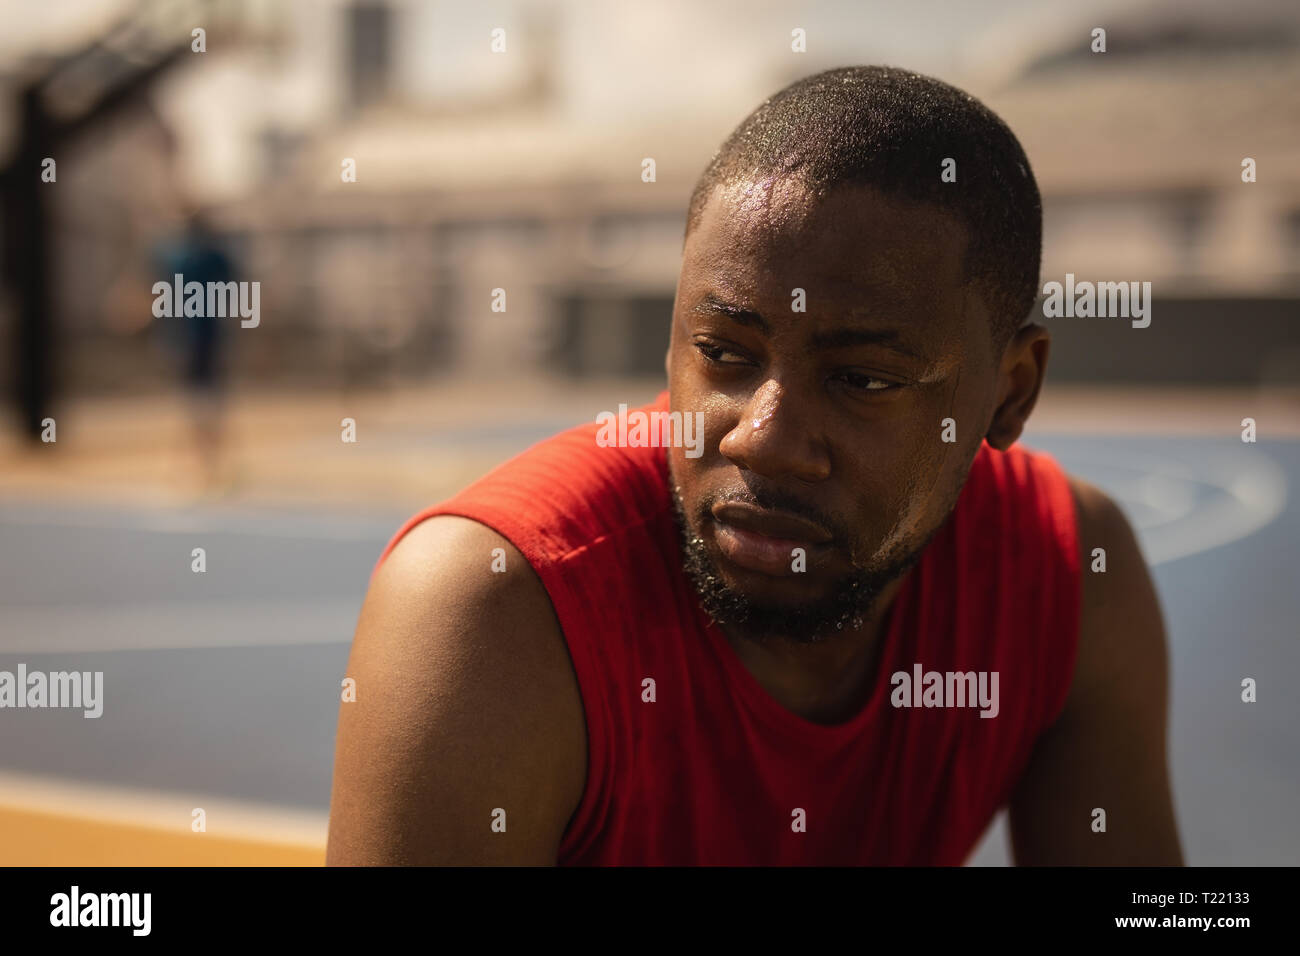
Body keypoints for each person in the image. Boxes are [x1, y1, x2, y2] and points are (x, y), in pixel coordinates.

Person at [326, 66, 1183, 865]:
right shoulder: (493, 606)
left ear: (1011, 391)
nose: (761, 439)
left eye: (861, 380)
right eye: (723, 353)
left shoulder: (1069, 570)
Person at [152, 205, 235, 495]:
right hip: (184, 340)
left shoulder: (212, 258)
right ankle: (196, 464)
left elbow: (236, 294)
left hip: (206, 340)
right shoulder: (178, 257)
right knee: (193, 403)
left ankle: (208, 463)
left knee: (205, 403)